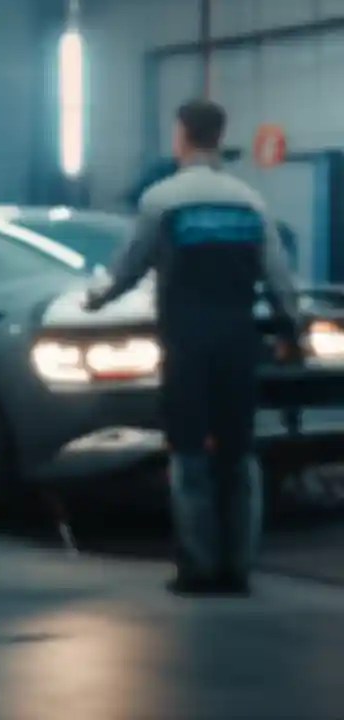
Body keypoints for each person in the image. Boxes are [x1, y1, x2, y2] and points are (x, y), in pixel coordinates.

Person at [83, 99, 303, 596]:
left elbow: (127, 270)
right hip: (237, 342)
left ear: (182, 135)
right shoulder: (250, 200)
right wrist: (292, 329)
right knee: (239, 456)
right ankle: (238, 569)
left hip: (186, 342)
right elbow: (279, 278)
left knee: (188, 454)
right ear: (220, 136)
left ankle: (198, 569)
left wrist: (94, 302)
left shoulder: (162, 200)